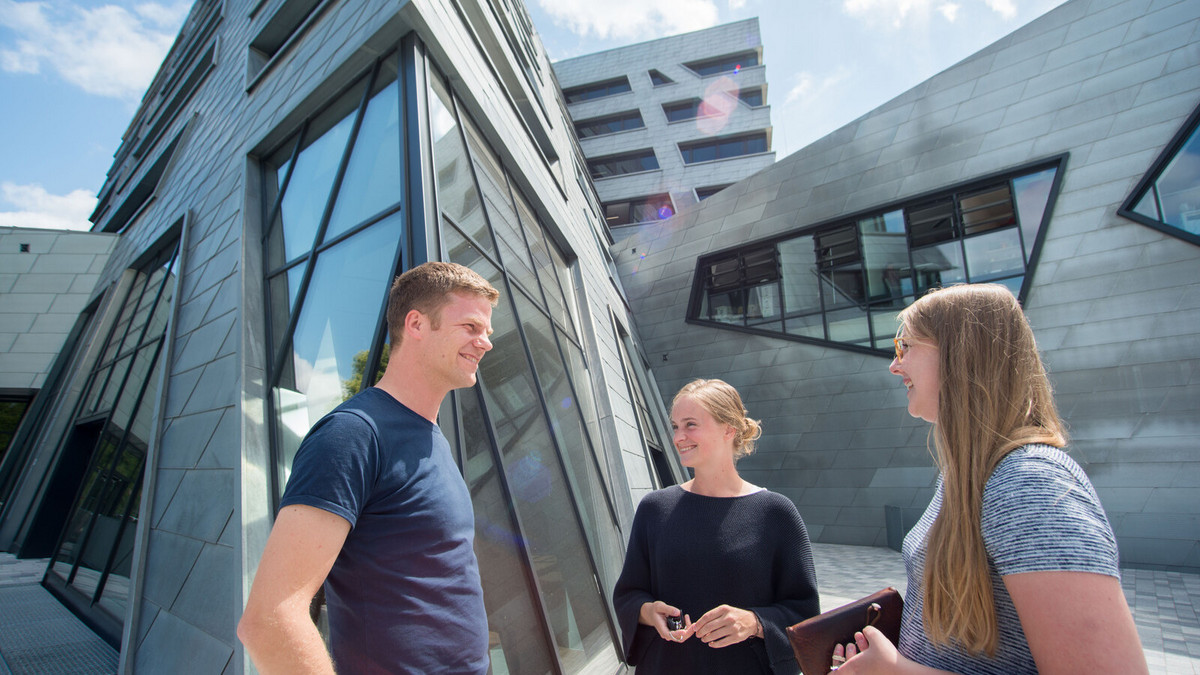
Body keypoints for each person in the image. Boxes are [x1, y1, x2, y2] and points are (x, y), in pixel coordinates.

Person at [832, 284, 1147, 675]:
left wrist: (899, 671)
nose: (895, 365)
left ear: (960, 355)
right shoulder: (966, 477)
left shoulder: (1028, 483)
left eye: (905, 347)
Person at [237, 261, 500, 674]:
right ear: (416, 324)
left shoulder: (433, 438)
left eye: (487, 331)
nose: (485, 343)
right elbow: (269, 621)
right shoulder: (353, 436)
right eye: (470, 327)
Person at [613, 378, 820, 674]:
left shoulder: (776, 513)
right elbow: (629, 594)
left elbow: (805, 614)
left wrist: (755, 622)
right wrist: (648, 612)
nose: (678, 437)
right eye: (675, 426)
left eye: (690, 424)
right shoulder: (655, 509)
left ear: (729, 429)